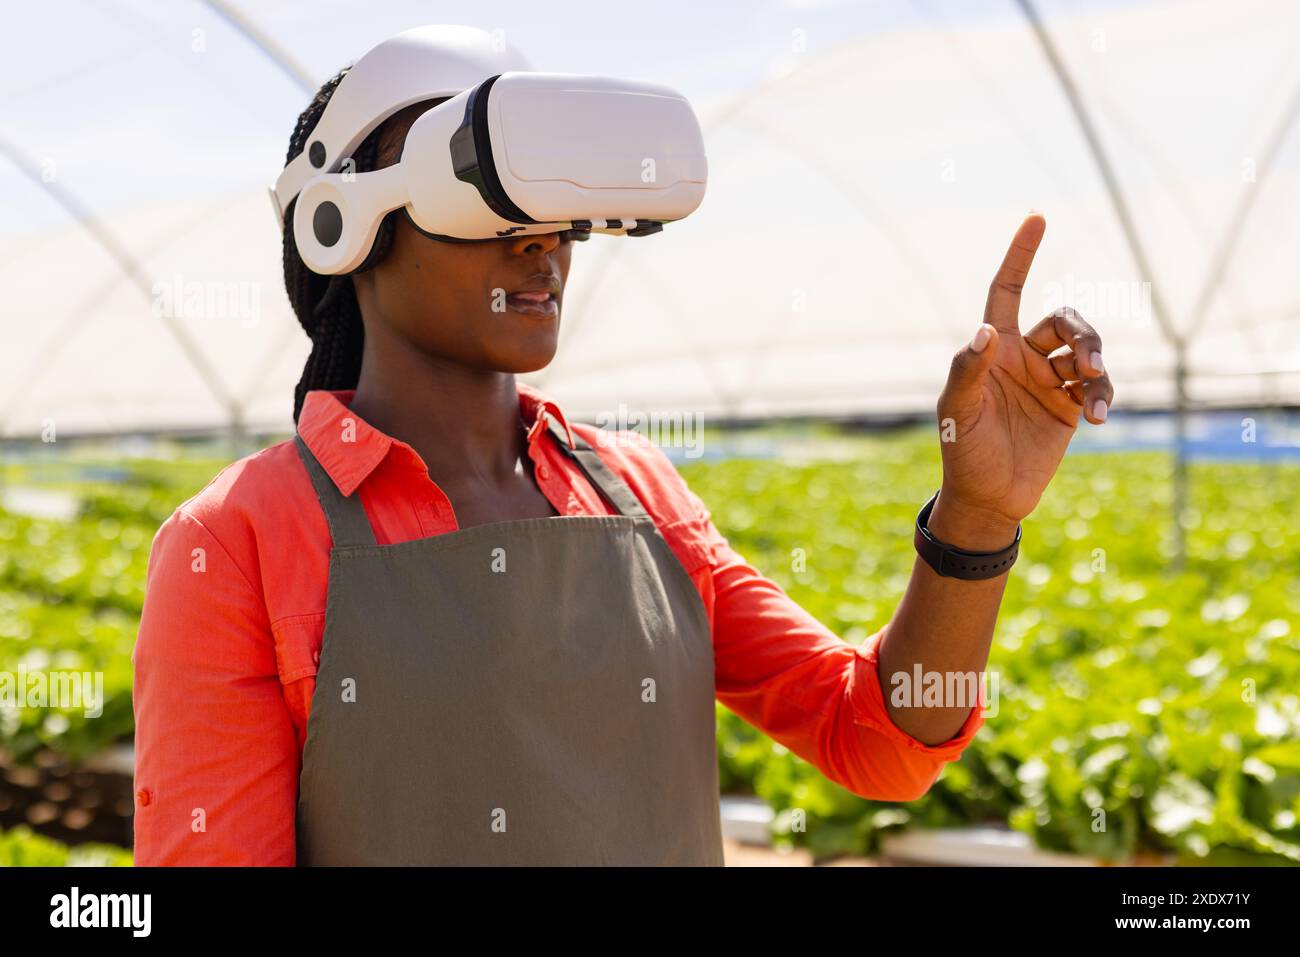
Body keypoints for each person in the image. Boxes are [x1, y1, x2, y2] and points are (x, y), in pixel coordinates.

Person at [131, 25, 1114, 866]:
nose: (540, 241)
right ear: (343, 222)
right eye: (484, 191)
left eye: (553, 203)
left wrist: (974, 521)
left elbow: (881, 739)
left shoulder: (636, 488)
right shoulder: (236, 543)